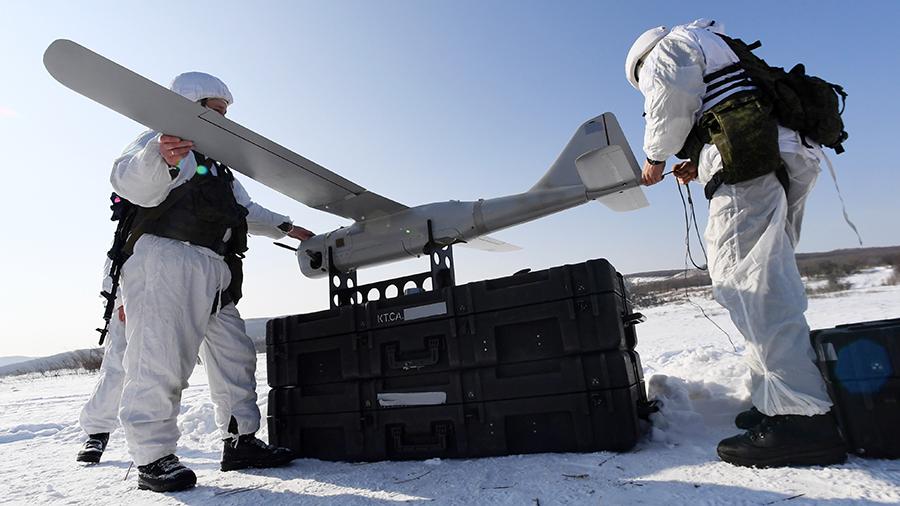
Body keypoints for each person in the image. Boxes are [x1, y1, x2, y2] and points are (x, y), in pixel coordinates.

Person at [625, 19, 846, 468]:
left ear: (638, 65)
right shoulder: (714, 43)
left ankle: (801, 418)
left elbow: (669, 104)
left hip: (751, 159)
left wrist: (654, 159)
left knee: (749, 285)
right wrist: (697, 160)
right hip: (783, 151)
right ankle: (774, 401)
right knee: (769, 276)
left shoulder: (665, 51)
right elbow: (723, 105)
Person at [110, 72, 313, 492]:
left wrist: (289, 228)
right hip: (166, 260)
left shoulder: (218, 166)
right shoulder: (160, 142)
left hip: (216, 268)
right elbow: (128, 181)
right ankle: (152, 458)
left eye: (224, 113)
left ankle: (241, 441)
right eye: (213, 111)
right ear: (188, 105)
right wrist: (161, 157)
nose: (221, 120)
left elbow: (246, 210)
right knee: (159, 357)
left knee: (235, 356)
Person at [75, 259, 126, 463]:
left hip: (172, 303)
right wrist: (120, 302)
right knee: (116, 370)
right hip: (127, 309)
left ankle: (158, 440)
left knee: (166, 372)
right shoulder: (131, 228)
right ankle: (97, 433)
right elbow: (112, 269)